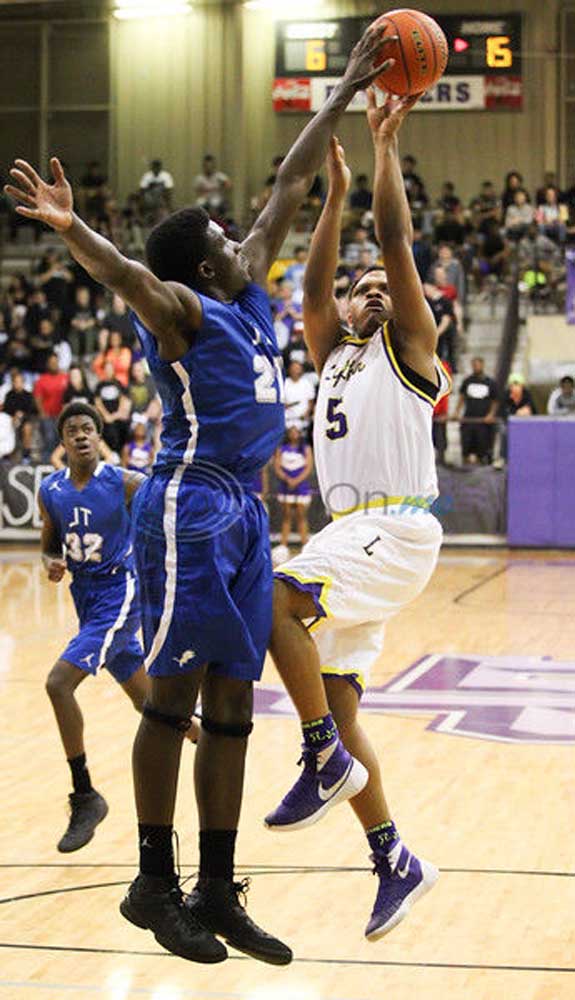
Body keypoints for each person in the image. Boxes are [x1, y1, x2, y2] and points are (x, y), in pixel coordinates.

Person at [5, 20, 395, 966]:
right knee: (169, 703)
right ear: (203, 264)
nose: (237, 234)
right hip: (186, 505)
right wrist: (73, 229)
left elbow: (291, 187)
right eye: (222, 237)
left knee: (232, 706)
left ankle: (216, 887)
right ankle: (152, 881)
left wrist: (340, 89)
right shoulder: (179, 310)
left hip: (246, 513)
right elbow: (128, 272)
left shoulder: (246, 294)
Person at [265, 89, 451, 941]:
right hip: (351, 540)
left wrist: (380, 150)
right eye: (361, 289)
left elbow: (397, 244)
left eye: (385, 288)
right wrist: (330, 198)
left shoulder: (410, 352)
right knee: (337, 710)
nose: (374, 290)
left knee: (274, 596)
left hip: (396, 527)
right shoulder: (332, 353)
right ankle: (392, 858)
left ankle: (320, 757)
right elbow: (311, 289)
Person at [38, 402, 147, 852]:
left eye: (88, 428)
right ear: (62, 442)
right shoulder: (51, 490)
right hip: (85, 597)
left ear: (99, 438)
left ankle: (85, 794)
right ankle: (214, 737)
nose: (81, 435)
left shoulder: (124, 482)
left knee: (58, 684)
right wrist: (51, 563)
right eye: (72, 430)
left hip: (120, 593)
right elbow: (48, 544)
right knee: (156, 709)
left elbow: (166, 512)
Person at [274, 425, 313, 547]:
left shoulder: (305, 448)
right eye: (291, 432)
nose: (294, 434)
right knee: (286, 516)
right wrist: (287, 479)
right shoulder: (281, 449)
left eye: (296, 432)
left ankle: (305, 545)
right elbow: (277, 466)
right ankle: (283, 545)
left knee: (301, 516)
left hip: (301, 486)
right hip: (286, 486)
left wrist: (297, 480)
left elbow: (309, 467)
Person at [456, 357, 498, 464]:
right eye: (474, 365)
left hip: (482, 420)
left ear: (483, 365)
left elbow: (495, 400)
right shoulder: (467, 381)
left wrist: (491, 414)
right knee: (466, 445)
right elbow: (462, 397)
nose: (476, 367)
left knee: (481, 447)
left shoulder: (490, 382)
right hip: (469, 418)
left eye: (478, 364)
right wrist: (457, 412)